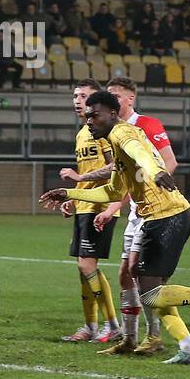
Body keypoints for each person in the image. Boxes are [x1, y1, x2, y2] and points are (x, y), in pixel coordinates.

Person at [40, 90, 190, 364]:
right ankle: (186, 347)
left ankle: (169, 343)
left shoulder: (123, 133)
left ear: (113, 114)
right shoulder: (115, 142)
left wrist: (157, 171)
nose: (89, 121)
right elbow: (112, 192)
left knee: (150, 293)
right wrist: (70, 193)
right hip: (161, 217)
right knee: (140, 280)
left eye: (94, 115)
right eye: (87, 116)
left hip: (166, 216)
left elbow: (140, 152)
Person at [92, 77, 177, 355]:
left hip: (157, 209)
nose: (111, 97)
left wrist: (151, 185)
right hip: (136, 210)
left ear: (129, 99)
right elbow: (119, 174)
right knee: (127, 273)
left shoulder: (146, 125)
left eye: (116, 94)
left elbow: (167, 162)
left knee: (147, 276)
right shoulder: (110, 130)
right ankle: (131, 337)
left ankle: (155, 336)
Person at [57, 80, 121, 343]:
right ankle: (90, 326)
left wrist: (78, 178)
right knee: (82, 268)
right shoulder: (83, 133)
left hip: (101, 207)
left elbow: (115, 167)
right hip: (85, 206)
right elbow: (90, 173)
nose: (77, 100)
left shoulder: (104, 132)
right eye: (74, 95)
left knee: (87, 265)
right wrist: (74, 198)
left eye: (83, 96)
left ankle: (113, 325)